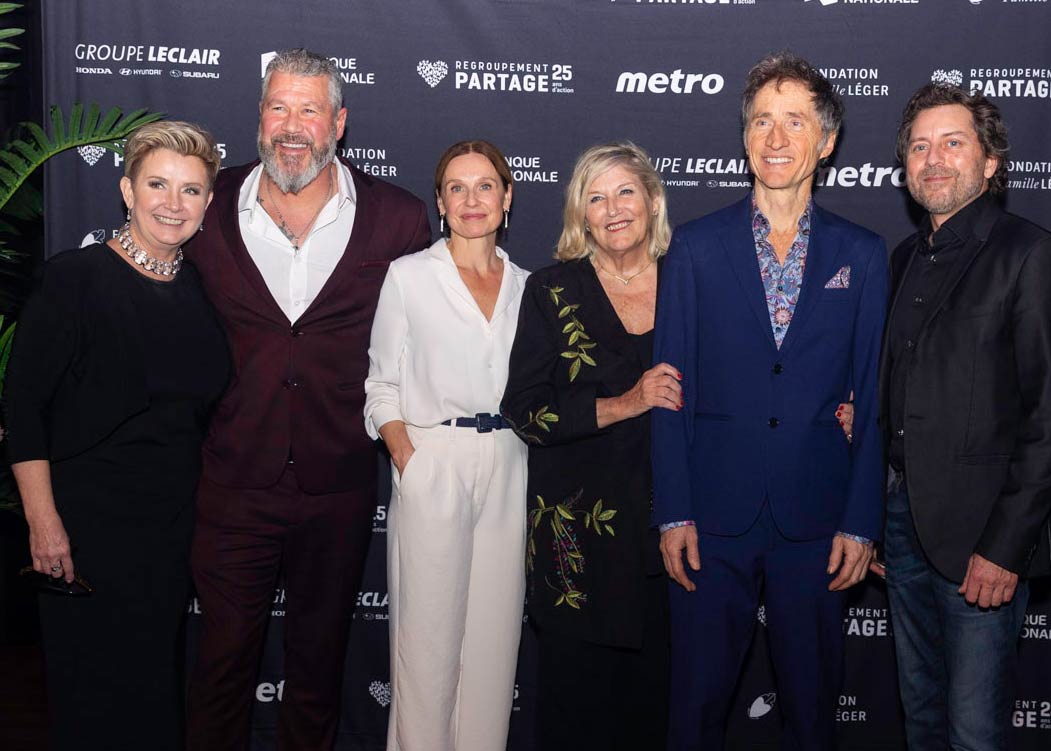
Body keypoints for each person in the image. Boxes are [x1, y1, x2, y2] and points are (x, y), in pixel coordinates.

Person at [185, 49, 429, 750]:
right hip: (232, 481)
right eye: (278, 107)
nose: (293, 127)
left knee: (319, 669)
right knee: (221, 664)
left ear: (339, 122)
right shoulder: (207, 206)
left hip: (340, 485)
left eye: (309, 109)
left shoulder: (399, 219)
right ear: (259, 116)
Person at [652, 51, 888, 751]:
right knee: (693, 708)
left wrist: (859, 520)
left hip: (815, 518)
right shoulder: (693, 247)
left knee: (812, 714)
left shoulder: (863, 252)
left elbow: (872, 396)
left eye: (794, 122)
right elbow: (669, 391)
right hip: (711, 516)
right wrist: (673, 510)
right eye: (761, 121)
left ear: (827, 141)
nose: (776, 138)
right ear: (744, 136)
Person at [5, 121, 228, 751]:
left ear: (208, 204)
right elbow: (24, 408)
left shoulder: (200, 291)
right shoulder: (72, 278)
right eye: (157, 184)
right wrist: (43, 523)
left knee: (154, 690)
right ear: (126, 190)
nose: (171, 203)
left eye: (190, 191)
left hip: (170, 529)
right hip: (85, 525)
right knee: (92, 698)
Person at [874, 82, 1051, 751]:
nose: (933, 159)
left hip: (981, 538)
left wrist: (1004, 548)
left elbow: (1045, 417)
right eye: (918, 146)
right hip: (901, 527)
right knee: (919, 718)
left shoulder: (1027, 254)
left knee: (972, 732)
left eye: (952, 143)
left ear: (990, 161)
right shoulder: (900, 260)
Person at [500, 141, 677, 750]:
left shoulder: (692, 282)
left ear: (653, 201)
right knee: (575, 716)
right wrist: (625, 402)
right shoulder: (552, 290)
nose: (613, 208)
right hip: (575, 543)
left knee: (657, 710)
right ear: (580, 216)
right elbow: (523, 410)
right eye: (595, 198)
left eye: (626, 191)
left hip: (675, 537)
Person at [364, 139, 528, 751]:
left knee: (493, 643)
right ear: (440, 202)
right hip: (434, 458)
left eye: (485, 185)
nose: (471, 199)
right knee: (426, 644)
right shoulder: (409, 277)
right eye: (456, 188)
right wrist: (411, 458)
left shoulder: (527, 287)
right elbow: (380, 385)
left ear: (507, 198)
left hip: (511, 463)